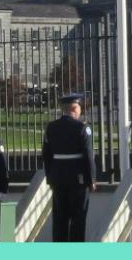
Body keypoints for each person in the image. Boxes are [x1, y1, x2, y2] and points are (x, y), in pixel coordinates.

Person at [41, 93, 97, 242]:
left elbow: (46, 155)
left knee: (60, 218)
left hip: (58, 179)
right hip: (78, 179)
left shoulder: (51, 127)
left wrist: (50, 177)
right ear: (75, 108)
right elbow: (88, 156)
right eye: (79, 107)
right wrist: (91, 179)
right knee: (78, 218)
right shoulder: (82, 128)